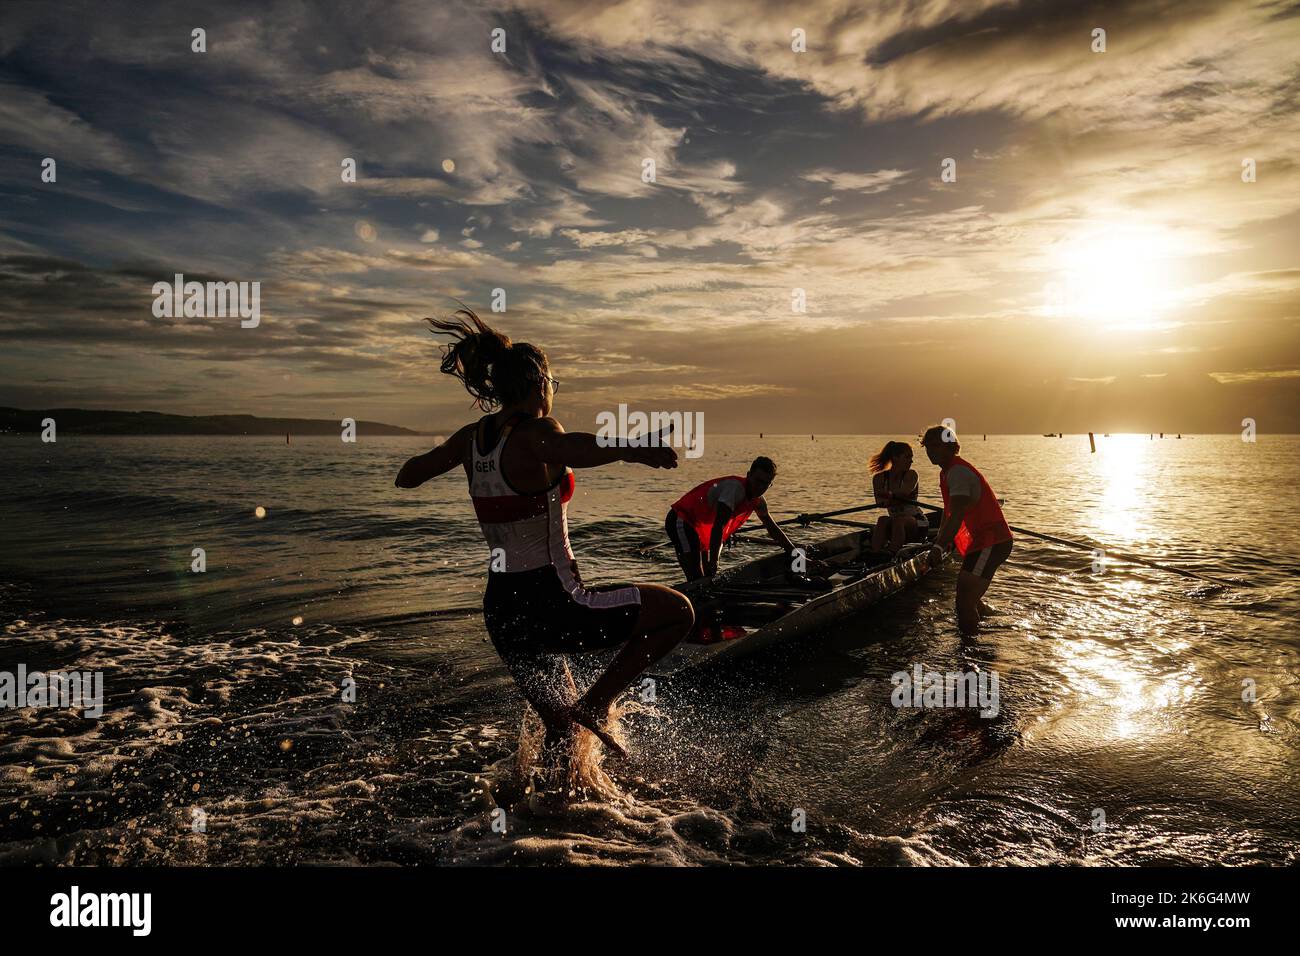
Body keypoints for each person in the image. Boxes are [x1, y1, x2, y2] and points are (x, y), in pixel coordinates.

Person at [395, 308, 694, 759]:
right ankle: (597, 703)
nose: (553, 392)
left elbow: (409, 476)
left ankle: (545, 809)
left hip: (503, 611)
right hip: (554, 601)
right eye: (553, 384)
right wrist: (631, 448)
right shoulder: (537, 430)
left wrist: (432, 465)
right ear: (538, 384)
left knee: (560, 732)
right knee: (679, 611)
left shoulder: (470, 437)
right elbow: (568, 445)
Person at [919, 424, 1013, 635]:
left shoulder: (958, 472)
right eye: (927, 447)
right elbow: (948, 513)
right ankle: (997, 625)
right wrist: (939, 540)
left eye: (935, 446)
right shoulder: (947, 472)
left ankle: (969, 653)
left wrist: (939, 547)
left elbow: (958, 513)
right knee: (968, 597)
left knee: (963, 602)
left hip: (992, 541)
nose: (930, 452)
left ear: (950, 446)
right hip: (983, 542)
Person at [665, 457, 796, 581]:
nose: (760, 487)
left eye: (766, 483)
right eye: (758, 481)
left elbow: (772, 528)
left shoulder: (759, 501)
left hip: (698, 526)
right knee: (696, 577)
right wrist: (714, 560)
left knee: (706, 576)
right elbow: (719, 526)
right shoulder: (735, 489)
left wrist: (795, 554)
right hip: (682, 519)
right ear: (749, 475)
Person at [867, 440, 928, 553]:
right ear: (895, 458)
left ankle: (893, 555)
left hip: (917, 522)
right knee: (882, 520)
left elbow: (904, 493)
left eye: (911, 457)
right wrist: (889, 499)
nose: (911, 461)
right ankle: (875, 553)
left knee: (898, 521)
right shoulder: (879, 478)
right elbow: (879, 501)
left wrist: (889, 497)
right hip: (896, 521)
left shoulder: (911, 475)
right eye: (907, 457)